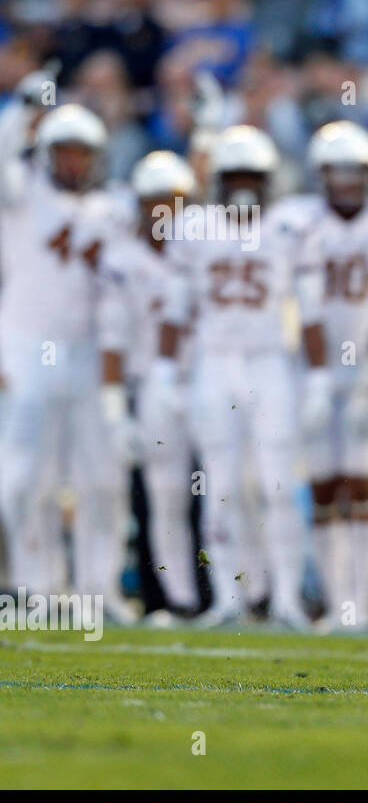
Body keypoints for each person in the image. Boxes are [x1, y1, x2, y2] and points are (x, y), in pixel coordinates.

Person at [158, 125, 325, 628]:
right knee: (220, 482)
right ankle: (228, 598)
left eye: (253, 177)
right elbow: (174, 309)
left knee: (277, 485)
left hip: (270, 360)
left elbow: (311, 313)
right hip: (214, 360)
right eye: (235, 177)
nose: (245, 187)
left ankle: (288, 599)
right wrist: (168, 371)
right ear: (219, 181)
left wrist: (317, 378)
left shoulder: (289, 226)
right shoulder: (193, 227)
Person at [0, 101, 133, 620]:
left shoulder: (112, 209)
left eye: (83, 154)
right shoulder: (21, 196)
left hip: (90, 353)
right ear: (47, 154)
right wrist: (22, 111)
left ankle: (100, 590)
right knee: (28, 476)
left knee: (102, 477)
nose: (74, 164)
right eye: (65, 153)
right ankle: (37, 586)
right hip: (29, 348)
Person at [289, 121, 368, 631]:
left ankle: (361, 603)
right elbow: (303, 304)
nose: (349, 184)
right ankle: (337, 604)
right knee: (324, 485)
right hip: (316, 371)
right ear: (321, 175)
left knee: (364, 481)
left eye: (357, 174)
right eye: (339, 173)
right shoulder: (303, 223)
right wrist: (315, 376)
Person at [97, 151, 201, 618]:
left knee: (224, 495)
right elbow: (113, 341)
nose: (165, 212)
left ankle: (227, 597)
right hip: (152, 387)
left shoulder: (204, 249)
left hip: (206, 381)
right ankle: (174, 599)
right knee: (164, 497)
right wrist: (117, 413)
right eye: (157, 202)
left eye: (174, 202)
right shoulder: (122, 261)